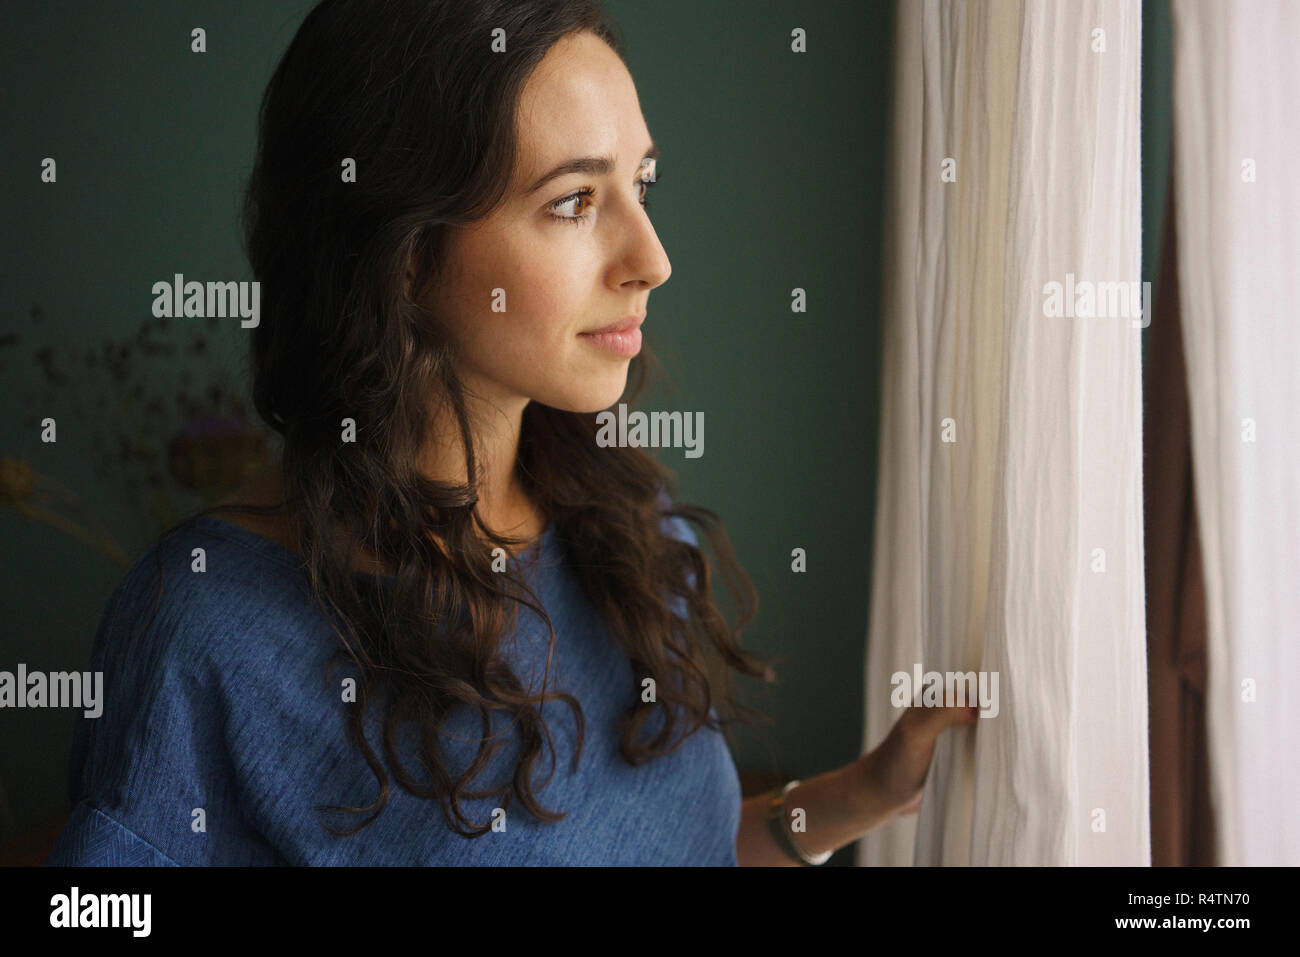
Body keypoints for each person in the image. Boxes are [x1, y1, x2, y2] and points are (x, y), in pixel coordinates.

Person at [45, 0, 972, 867]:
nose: (652, 258)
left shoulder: (631, 528)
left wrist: (862, 793)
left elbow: (679, 846)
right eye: (574, 201)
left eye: (642, 184)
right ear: (405, 255)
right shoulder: (205, 629)